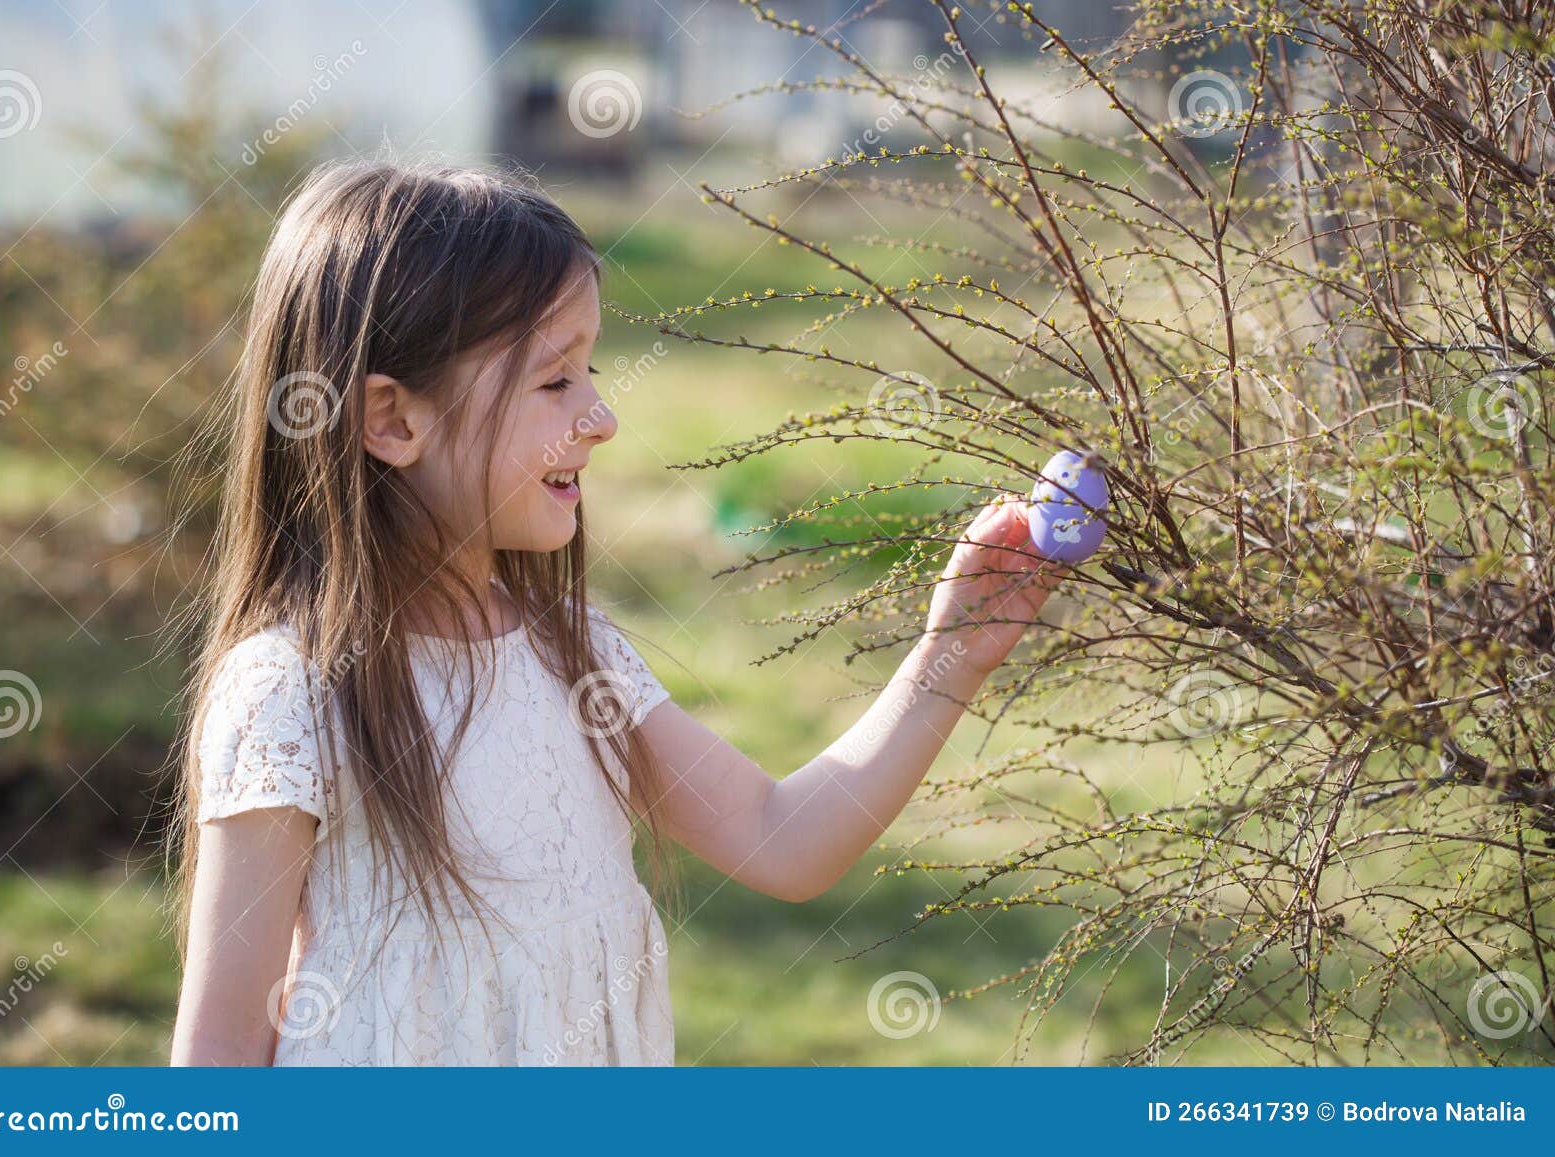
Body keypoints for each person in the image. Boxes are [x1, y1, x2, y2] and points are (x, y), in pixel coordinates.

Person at [166, 158, 1059, 1067]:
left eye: (587, 370)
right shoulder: (292, 691)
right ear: (393, 421)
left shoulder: (575, 657)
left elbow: (781, 839)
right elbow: (221, 1054)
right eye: (555, 383)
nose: (601, 417)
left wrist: (952, 654)